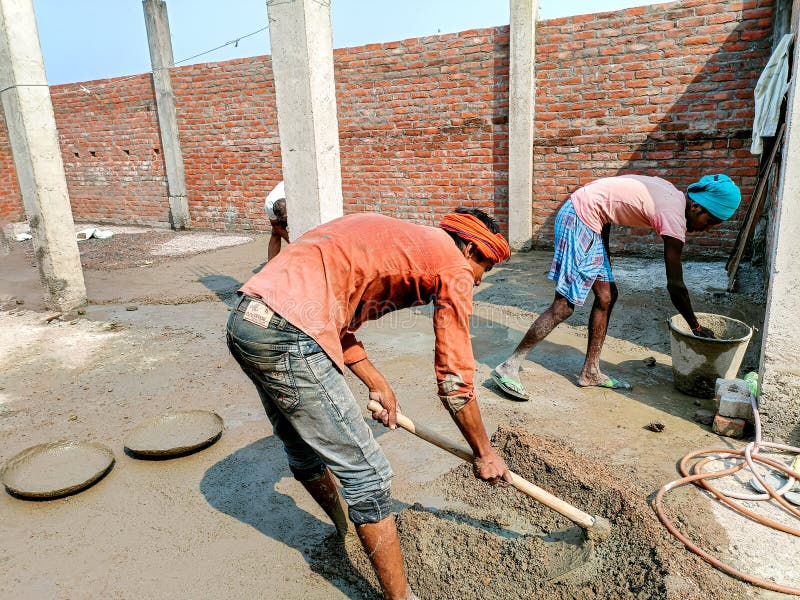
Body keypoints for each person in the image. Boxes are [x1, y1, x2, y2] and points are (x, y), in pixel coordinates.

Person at [226, 208, 512, 599]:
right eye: (484, 270)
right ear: (471, 248)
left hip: (247, 320)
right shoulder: (453, 266)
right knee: (369, 475)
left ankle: (343, 534)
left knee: (302, 446)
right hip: (288, 333)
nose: (477, 281)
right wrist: (485, 452)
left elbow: (333, 318)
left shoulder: (398, 238)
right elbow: (454, 381)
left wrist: (377, 383)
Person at [491, 173, 742, 400]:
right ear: (697, 206)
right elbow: (675, 285)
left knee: (606, 296)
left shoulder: (672, 194)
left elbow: (608, 202)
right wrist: (695, 326)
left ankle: (590, 372)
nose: (707, 229)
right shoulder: (673, 215)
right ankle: (509, 366)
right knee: (564, 305)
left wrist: (603, 252)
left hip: (590, 218)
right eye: (710, 221)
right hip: (579, 217)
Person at [265, 180, 289, 260]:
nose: (285, 221)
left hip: (292, 189)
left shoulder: (292, 197)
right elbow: (276, 226)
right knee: (275, 233)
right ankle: (271, 267)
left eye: (286, 218)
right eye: (282, 219)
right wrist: (292, 242)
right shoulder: (269, 205)